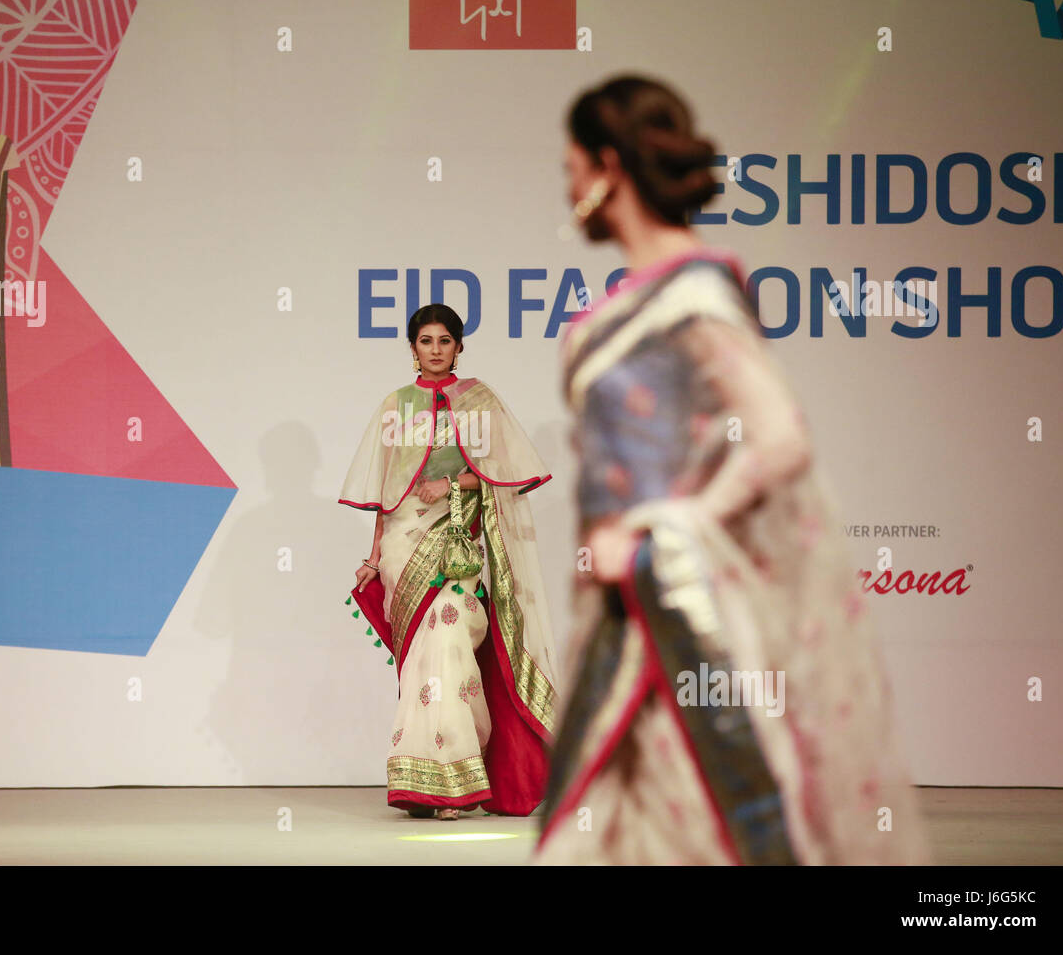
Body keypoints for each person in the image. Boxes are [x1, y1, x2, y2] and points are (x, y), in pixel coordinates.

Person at [535, 75, 930, 863]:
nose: (566, 179)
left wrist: (674, 526)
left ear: (610, 166)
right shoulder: (626, 306)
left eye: (573, 161)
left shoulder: (698, 295)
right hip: (616, 613)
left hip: (687, 610)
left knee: (694, 824)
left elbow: (780, 437)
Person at [340, 304, 559, 820]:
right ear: (411, 348)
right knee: (421, 656)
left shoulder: (480, 404)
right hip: (404, 541)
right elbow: (387, 494)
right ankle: (425, 783)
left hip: (455, 537)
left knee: (449, 644)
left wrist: (453, 483)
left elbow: (501, 476)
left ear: (459, 346)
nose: (435, 350)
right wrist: (374, 556)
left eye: (445, 341)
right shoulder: (395, 407)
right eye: (425, 341)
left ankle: (458, 779)